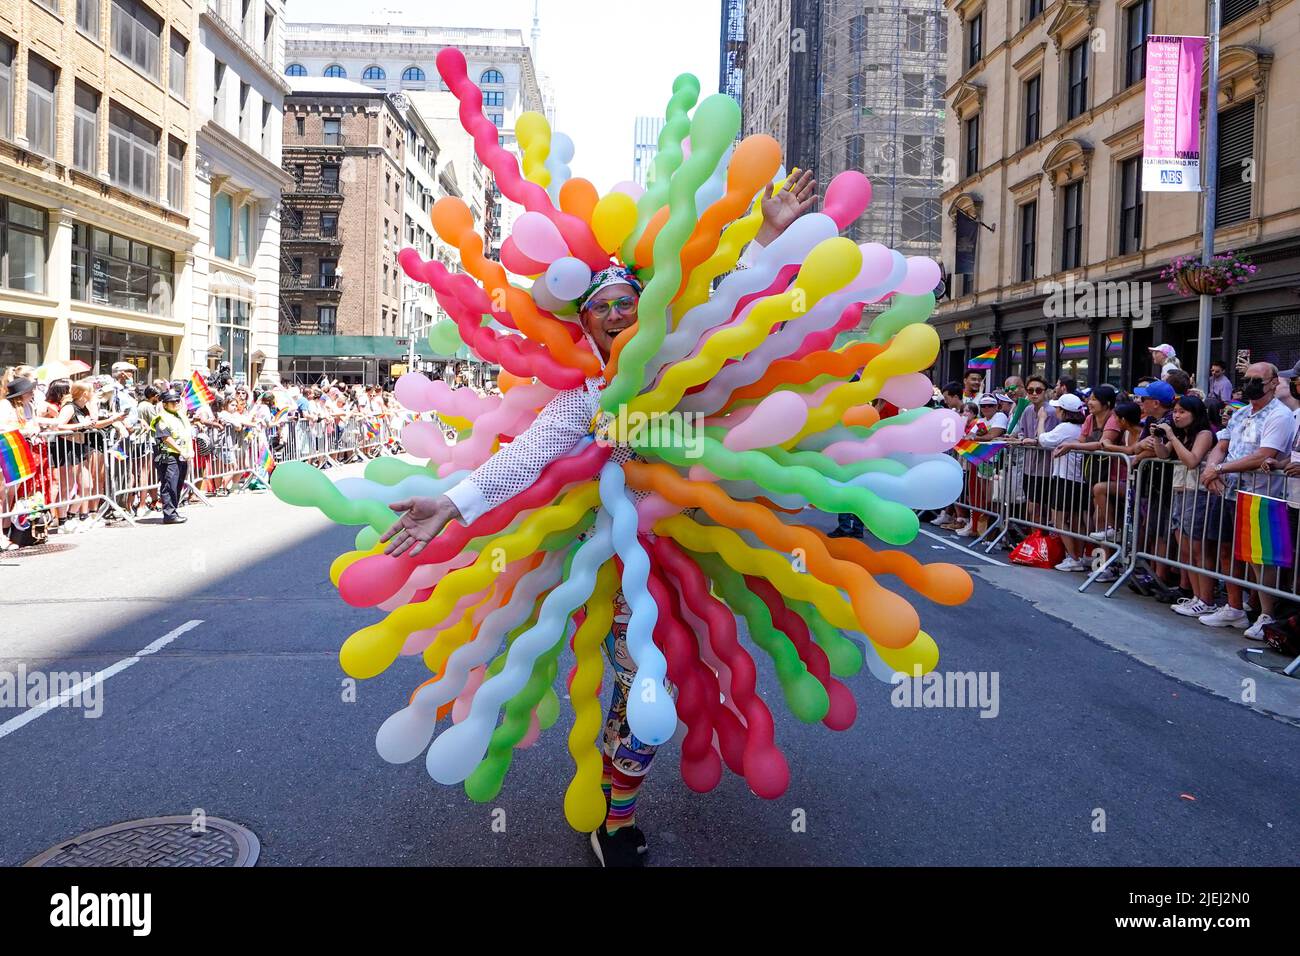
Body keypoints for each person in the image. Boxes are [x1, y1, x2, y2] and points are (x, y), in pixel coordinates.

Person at [377, 170, 817, 868]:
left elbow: (734, 313)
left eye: (626, 302)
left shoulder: (682, 367)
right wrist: (452, 505)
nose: (615, 312)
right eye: (600, 306)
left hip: (690, 554)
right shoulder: (582, 400)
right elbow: (525, 459)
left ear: (645, 312)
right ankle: (615, 822)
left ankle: (618, 798)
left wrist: (767, 234)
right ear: (584, 325)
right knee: (642, 686)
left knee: (668, 679)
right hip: (614, 563)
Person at [1198, 362, 1296, 636]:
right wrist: (1211, 468)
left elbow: (1263, 455)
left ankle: (1266, 614)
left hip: (1260, 494)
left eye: (1258, 379)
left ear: (1274, 383)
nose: (1251, 383)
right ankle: (1234, 607)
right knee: (1227, 549)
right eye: (1248, 378)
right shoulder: (1242, 414)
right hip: (1229, 491)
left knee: (1259, 557)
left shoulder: (1279, 415)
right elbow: (1222, 444)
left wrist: (1218, 469)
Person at [1150, 395, 1218, 617]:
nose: (1176, 416)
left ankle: (1206, 599)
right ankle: (1196, 597)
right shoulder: (1181, 434)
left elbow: (1192, 461)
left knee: (1198, 550)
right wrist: (1159, 439)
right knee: (1186, 550)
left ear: (1195, 414)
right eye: (1175, 412)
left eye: (1181, 412)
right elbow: (1163, 456)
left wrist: (1171, 435)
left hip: (1198, 494)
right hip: (1181, 492)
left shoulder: (1204, 434)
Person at [1034, 394, 1088, 571]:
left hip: (1066, 476)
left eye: (1058, 408)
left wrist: (1041, 420)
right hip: (1077, 477)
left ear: (1064, 411)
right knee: (1075, 519)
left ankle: (1073, 557)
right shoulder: (1080, 426)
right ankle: (1078, 556)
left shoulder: (1066, 427)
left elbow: (1044, 440)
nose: (1055, 411)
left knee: (1058, 518)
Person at [1006, 375, 1057, 526]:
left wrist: (1032, 441)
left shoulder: (1052, 412)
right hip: (1029, 466)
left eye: (1038, 390)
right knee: (1031, 507)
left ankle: (1041, 543)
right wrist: (1015, 438)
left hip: (1046, 467)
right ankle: (1033, 541)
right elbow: (1022, 432)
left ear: (1045, 392)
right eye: (1030, 390)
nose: (1034, 393)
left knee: (1038, 509)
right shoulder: (1027, 410)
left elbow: (1049, 440)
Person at [151, 389, 194, 524]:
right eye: (171, 401)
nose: (175, 403)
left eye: (177, 400)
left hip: (181, 455)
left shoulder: (180, 415)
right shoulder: (162, 418)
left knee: (178, 483)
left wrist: (190, 451)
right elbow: (166, 438)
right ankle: (169, 514)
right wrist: (181, 451)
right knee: (169, 484)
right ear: (164, 404)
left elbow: (187, 435)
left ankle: (173, 510)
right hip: (168, 455)